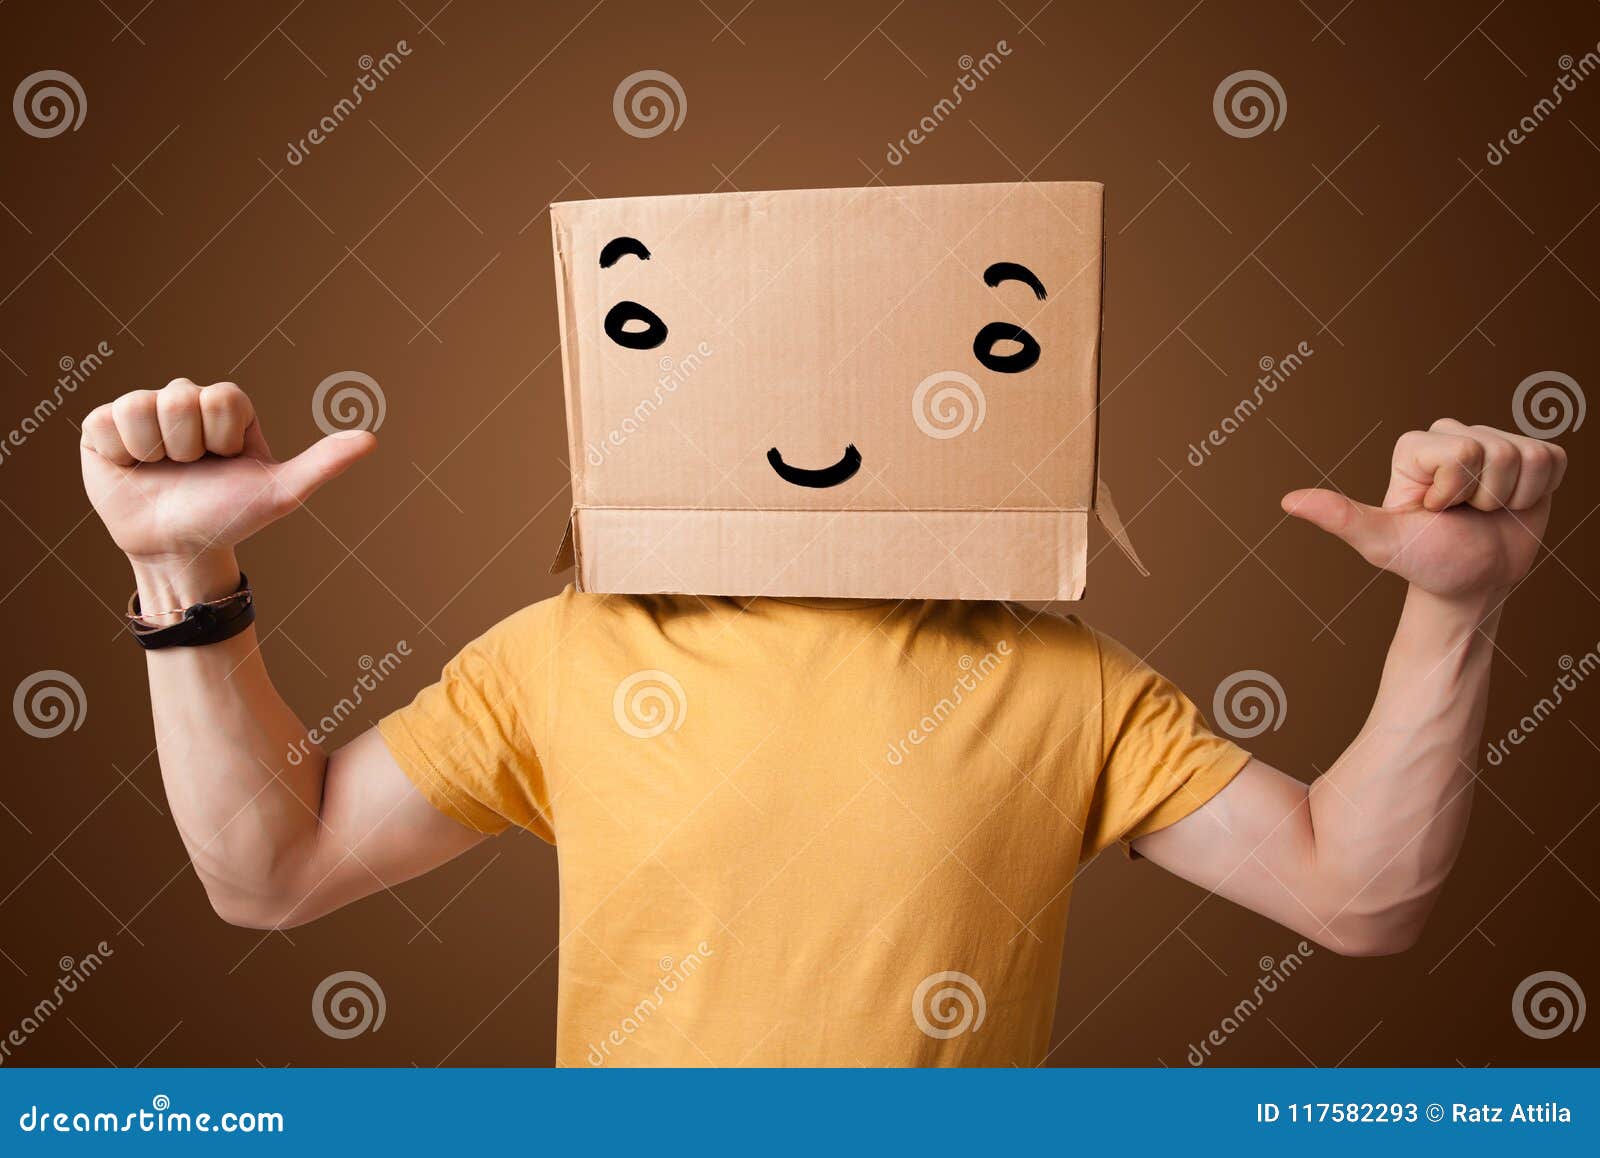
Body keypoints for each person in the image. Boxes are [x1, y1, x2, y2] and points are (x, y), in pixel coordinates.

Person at [79, 378, 1565, 1065]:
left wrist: (1457, 609)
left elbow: (1354, 894)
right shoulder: (566, 654)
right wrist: (179, 570)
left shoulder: (1060, 679)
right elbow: (272, 871)